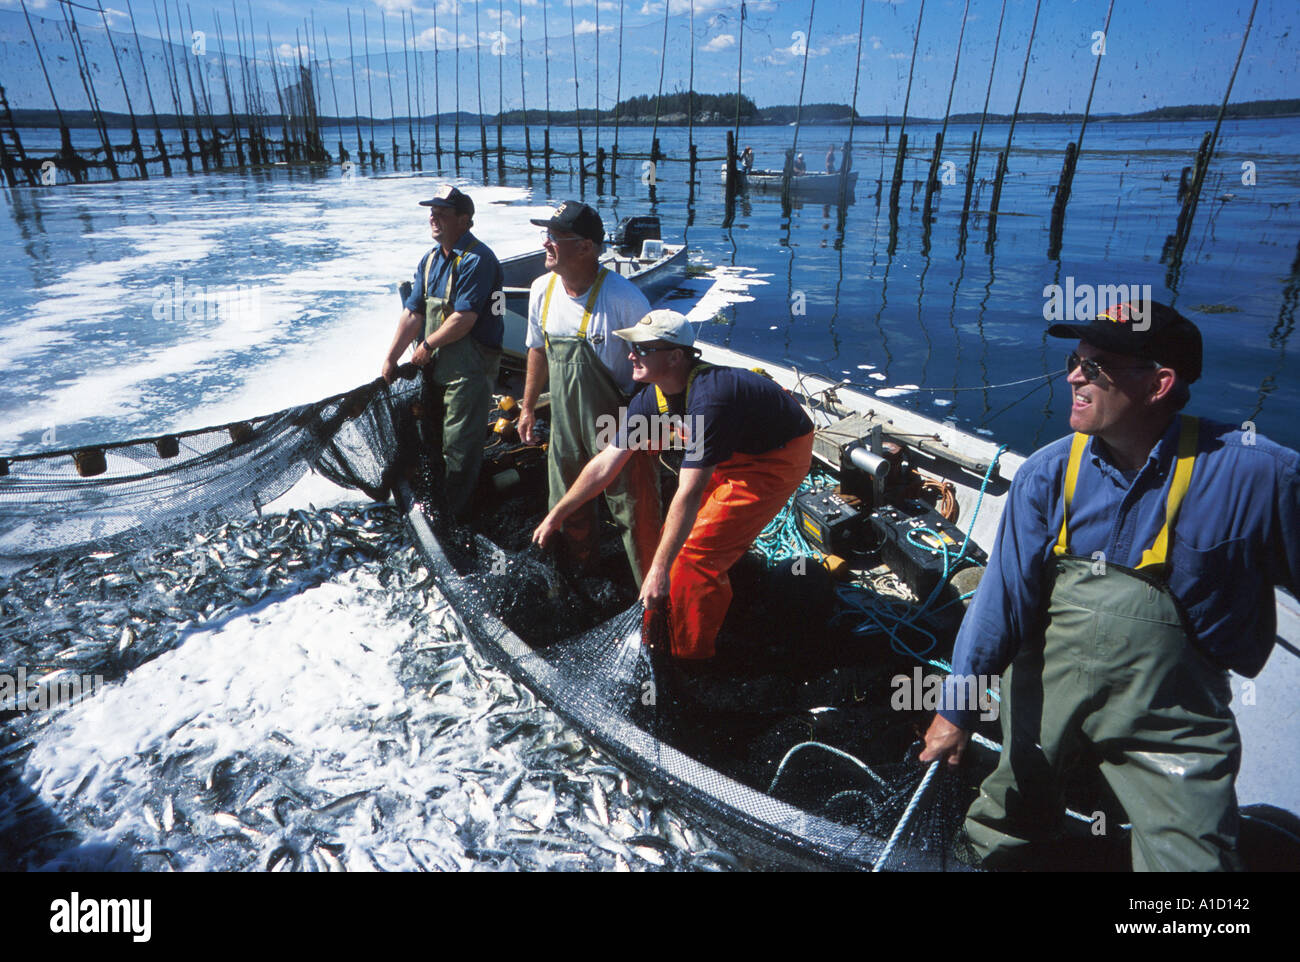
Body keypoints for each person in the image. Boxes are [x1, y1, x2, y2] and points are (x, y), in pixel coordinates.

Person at [919, 300, 1300, 872]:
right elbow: (1000, 605)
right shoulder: (1045, 474)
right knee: (1003, 829)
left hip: (1172, 724)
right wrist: (956, 711)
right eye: (1076, 360)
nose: (1073, 375)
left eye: (1096, 367)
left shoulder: (1262, 476)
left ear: (1159, 383)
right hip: (1046, 696)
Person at [532, 310, 815, 660]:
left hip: (774, 459)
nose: (630, 355)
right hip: (732, 448)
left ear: (675, 356)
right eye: (631, 346)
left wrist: (658, 572)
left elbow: (690, 492)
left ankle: (690, 657)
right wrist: (557, 514)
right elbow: (606, 462)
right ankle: (659, 628)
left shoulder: (711, 400)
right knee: (675, 536)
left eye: (642, 348)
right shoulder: (652, 397)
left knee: (696, 554)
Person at [519, 201, 661, 584]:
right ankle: (582, 584)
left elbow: (658, 369)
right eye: (545, 235)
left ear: (585, 247)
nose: (546, 244)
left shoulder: (626, 300)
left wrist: (652, 431)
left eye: (555, 237)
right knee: (568, 511)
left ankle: (652, 604)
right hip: (565, 425)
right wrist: (528, 407)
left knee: (636, 515)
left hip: (620, 424)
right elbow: (536, 349)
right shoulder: (541, 291)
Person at [381, 185, 504, 517]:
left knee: (459, 449)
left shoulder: (478, 260)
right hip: (437, 369)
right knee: (431, 442)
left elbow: (464, 319)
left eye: (442, 212)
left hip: (469, 370)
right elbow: (413, 312)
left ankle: (455, 518)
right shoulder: (431, 259)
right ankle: (439, 506)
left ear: (464, 220)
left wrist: (426, 345)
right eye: (431, 211)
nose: (433, 217)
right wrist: (391, 357)